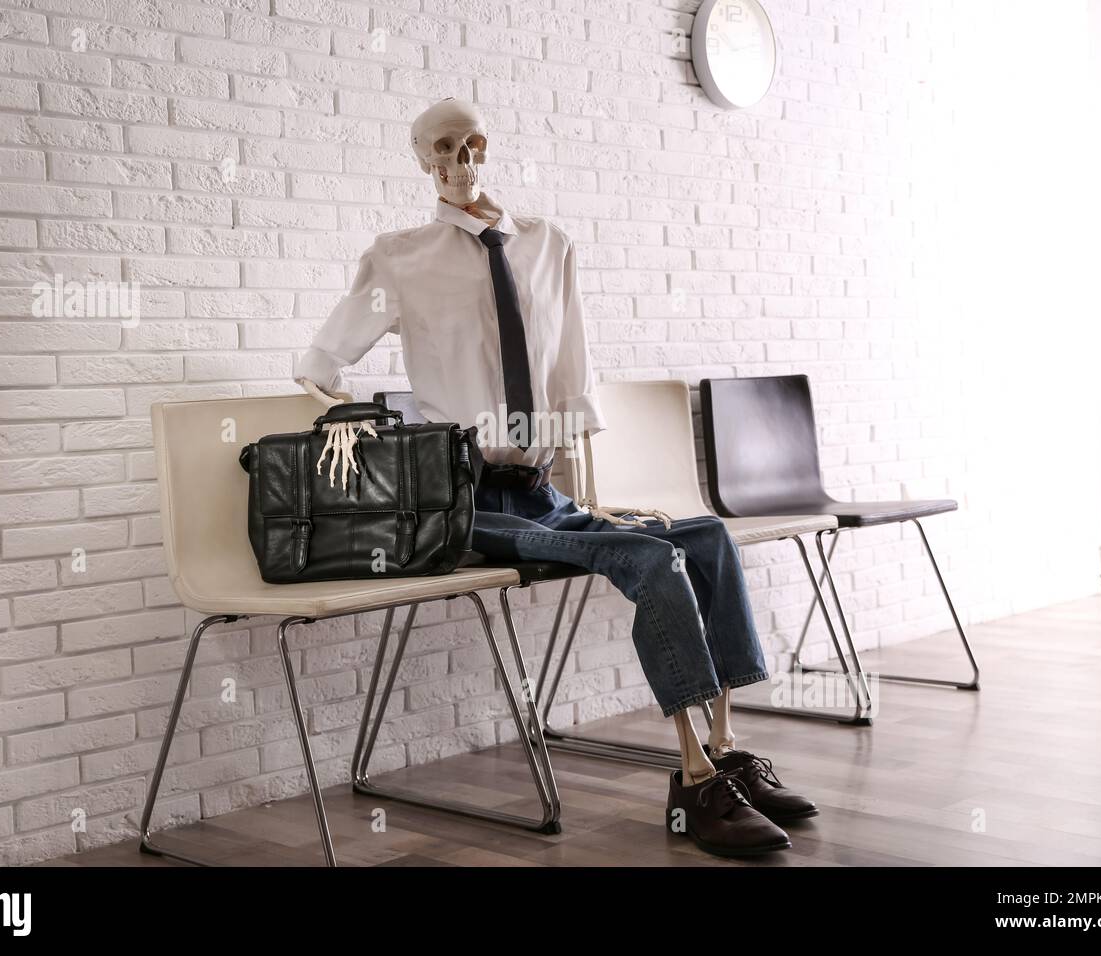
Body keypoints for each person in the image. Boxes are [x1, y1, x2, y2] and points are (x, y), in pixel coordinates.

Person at [295, 98, 816, 859]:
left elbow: (571, 384)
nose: (462, 159)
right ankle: (694, 782)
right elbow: (318, 366)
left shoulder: (548, 245)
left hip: (542, 488)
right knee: (652, 560)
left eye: (473, 141)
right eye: (443, 147)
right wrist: (361, 428)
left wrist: (592, 501)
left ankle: (728, 746)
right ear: (422, 161)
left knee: (704, 537)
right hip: (460, 500)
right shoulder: (399, 258)